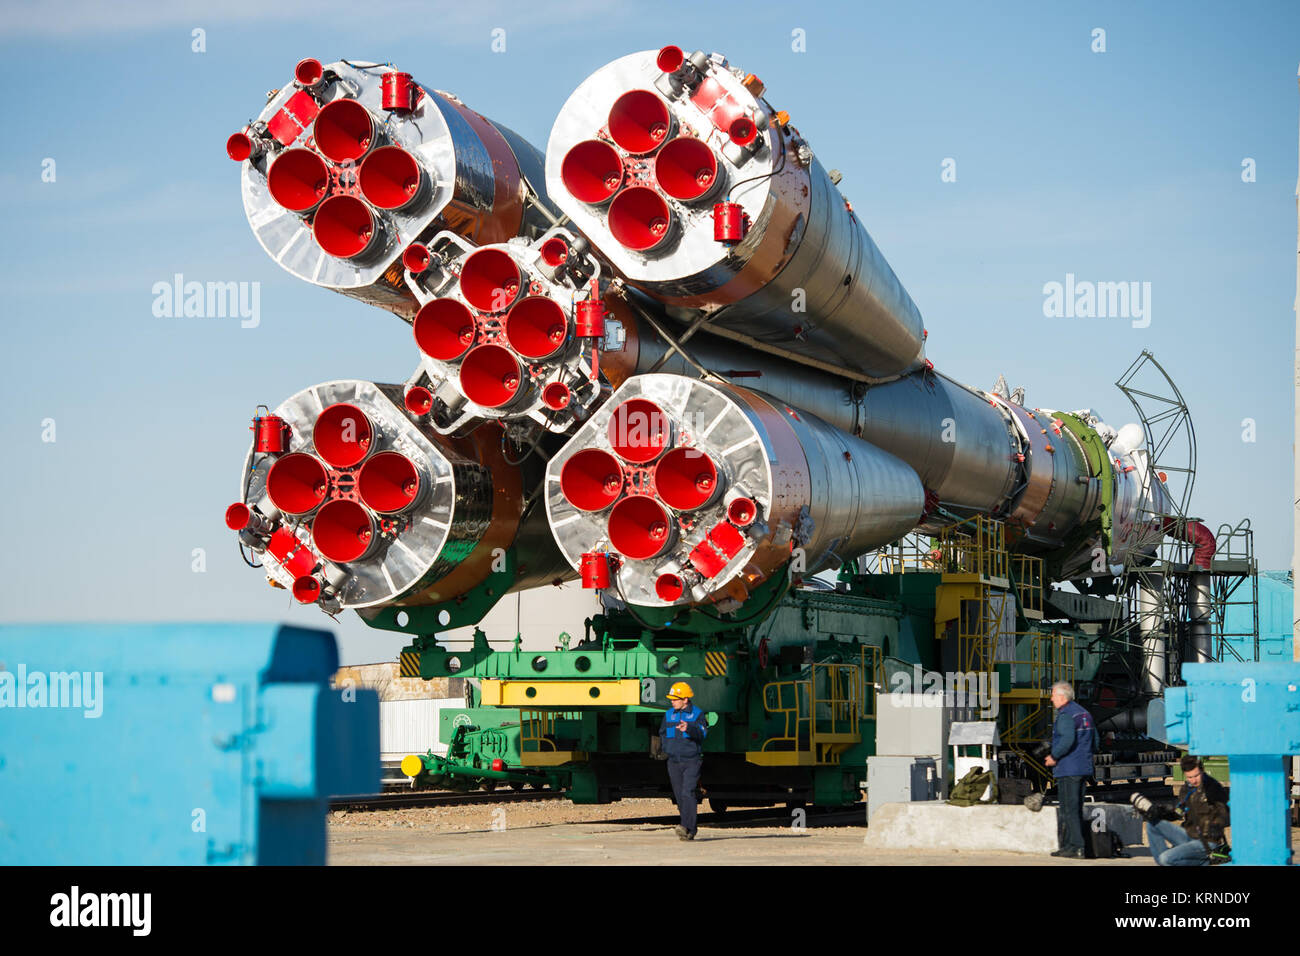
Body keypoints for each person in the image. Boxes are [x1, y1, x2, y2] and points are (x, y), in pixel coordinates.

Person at [1136, 756, 1230, 866]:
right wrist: (1158, 812)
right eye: (1189, 777)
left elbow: (1225, 812)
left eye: (1196, 776)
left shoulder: (1213, 788)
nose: (1194, 780)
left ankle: (1205, 860)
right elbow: (1178, 812)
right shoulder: (1187, 789)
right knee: (1152, 825)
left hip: (1206, 841)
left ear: (1202, 771)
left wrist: (1216, 824)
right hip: (1188, 835)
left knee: (1166, 858)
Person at [1043, 681, 1096, 859]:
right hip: (1083, 767)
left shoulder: (1066, 715)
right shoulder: (1085, 713)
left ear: (1062, 697)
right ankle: (1073, 845)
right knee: (1077, 808)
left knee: (1068, 809)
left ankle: (1074, 847)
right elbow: (1095, 741)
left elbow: (1067, 740)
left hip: (1068, 768)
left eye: (1053, 696)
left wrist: (1054, 756)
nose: (1051, 699)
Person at [660, 681, 708, 840]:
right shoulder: (668, 714)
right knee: (679, 796)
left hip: (691, 761)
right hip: (673, 762)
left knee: (688, 793)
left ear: (685, 699)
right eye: (671, 698)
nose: (672, 701)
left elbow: (703, 734)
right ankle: (689, 830)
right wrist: (666, 749)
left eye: (675, 698)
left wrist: (689, 728)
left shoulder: (697, 714)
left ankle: (685, 827)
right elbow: (662, 733)